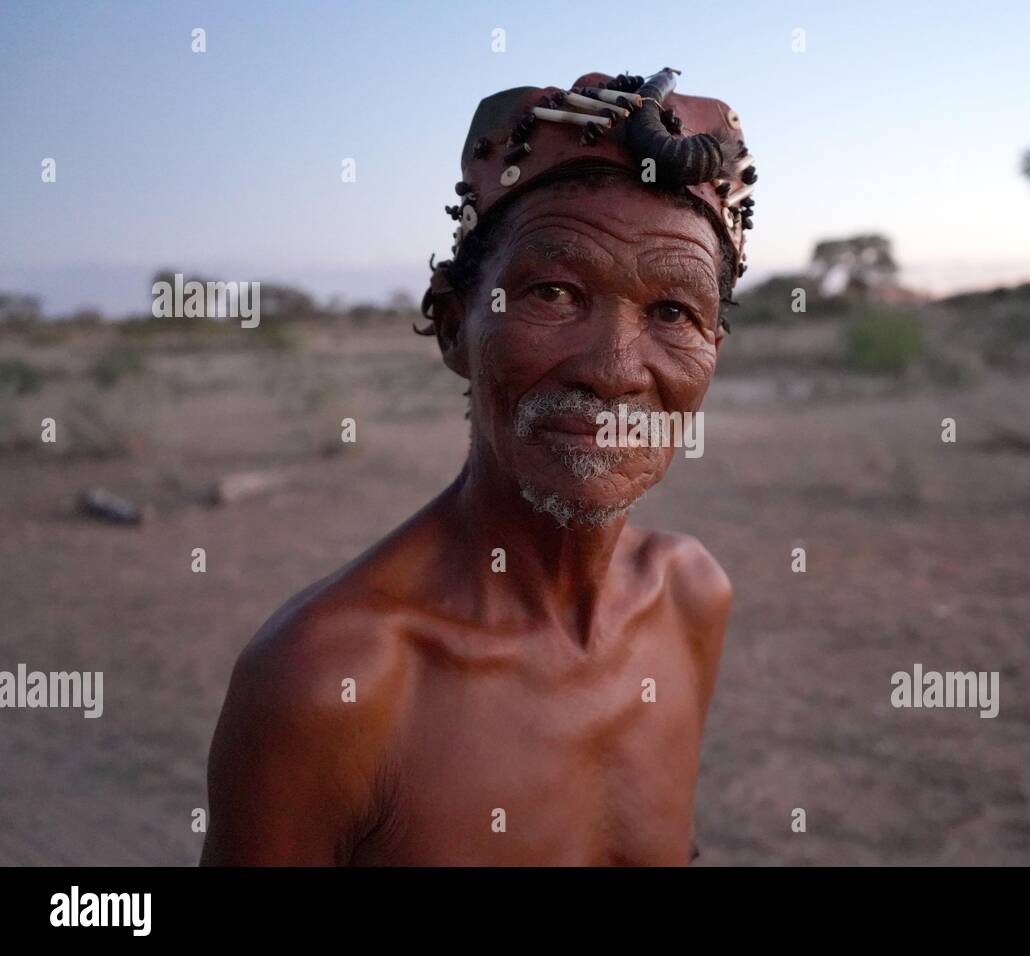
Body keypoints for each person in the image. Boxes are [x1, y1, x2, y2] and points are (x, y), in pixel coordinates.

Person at [201, 68, 756, 865]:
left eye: (674, 310)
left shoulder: (691, 597)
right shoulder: (332, 683)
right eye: (555, 293)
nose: (614, 369)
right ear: (454, 326)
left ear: (712, 351)